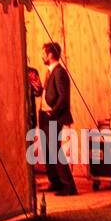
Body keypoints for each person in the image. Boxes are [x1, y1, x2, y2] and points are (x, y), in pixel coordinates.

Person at [40, 41, 78, 195]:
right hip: (46, 116)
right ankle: (55, 181)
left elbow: (63, 97)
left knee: (55, 150)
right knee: (48, 149)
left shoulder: (59, 72)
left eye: (43, 53)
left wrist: (52, 112)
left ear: (50, 55)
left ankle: (68, 186)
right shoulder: (50, 72)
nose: (42, 56)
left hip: (54, 117)